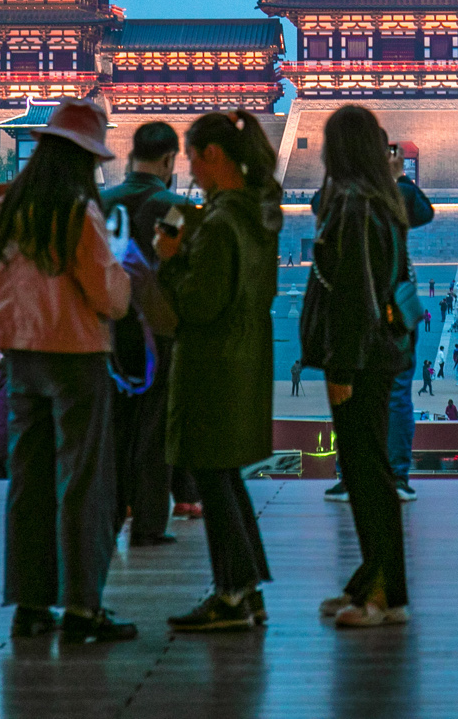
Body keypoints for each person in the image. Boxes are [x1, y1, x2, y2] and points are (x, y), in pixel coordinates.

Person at [0, 98, 135, 643]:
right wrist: (128, 285)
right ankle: (85, 606)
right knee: (84, 481)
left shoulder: (5, 208)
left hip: (19, 357)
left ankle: (30, 602)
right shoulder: (76, 210)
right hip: (76, 354)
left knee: (29, 479)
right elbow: (106, 293)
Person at [157, 110, 284, 631]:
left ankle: (232, 593)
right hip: (246, 357)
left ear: (213, 155)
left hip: (212, 364)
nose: (190, 169)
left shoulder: (220, 222)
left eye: (192, 157)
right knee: (225, 478)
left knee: (213, 478)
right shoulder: (259, 214)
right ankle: (245, 587)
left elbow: (198, 303)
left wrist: (170, 257)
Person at [300, 105, 412, 628]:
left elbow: (352, 295)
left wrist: (341, 366)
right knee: (371, 473)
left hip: (360, 359)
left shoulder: (354, 206)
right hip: (380, 352)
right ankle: (373, 580)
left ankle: (384, 594)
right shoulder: (380, 201)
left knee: (368, 475)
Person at [100, 121, 186, 548]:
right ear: (170, 159)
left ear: (132, 155)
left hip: (108, 330)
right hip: (159, 332)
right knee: (155, 427)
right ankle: (150, 521)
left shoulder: (101, 202)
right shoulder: (174, 206)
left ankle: (110, 514)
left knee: (113, 426)